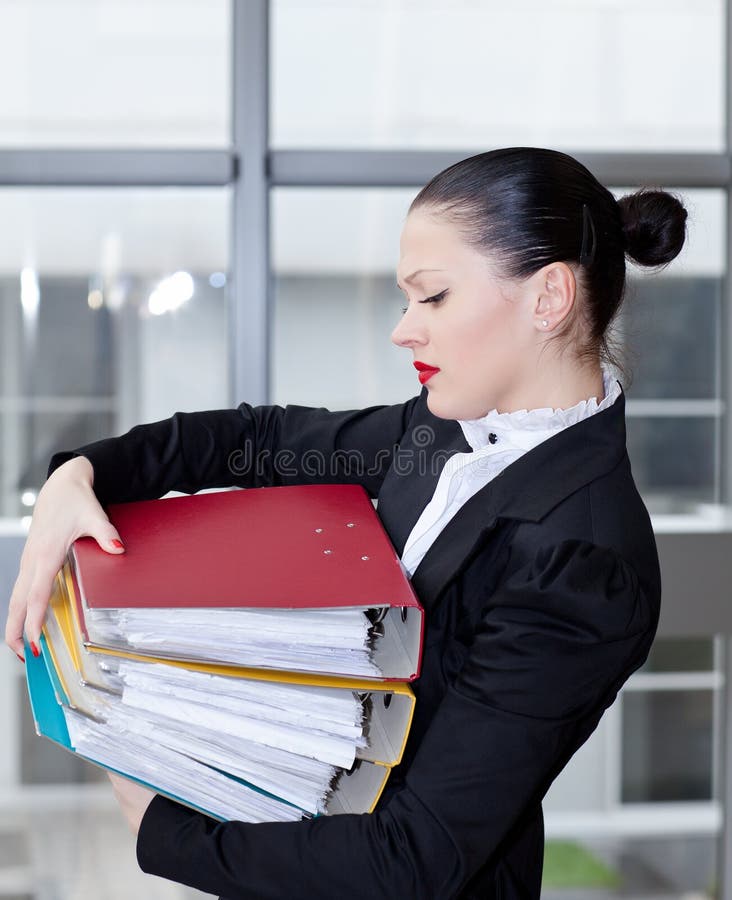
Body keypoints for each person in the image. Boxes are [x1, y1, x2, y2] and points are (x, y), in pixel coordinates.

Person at [6, 147, 687, 900]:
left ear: (547, 297)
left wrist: (168, 837)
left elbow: (418, 854)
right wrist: (85, 473)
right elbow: (259, 441)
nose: (404, 330)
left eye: (431, 298)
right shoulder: (439, 433)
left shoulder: (584, 560)